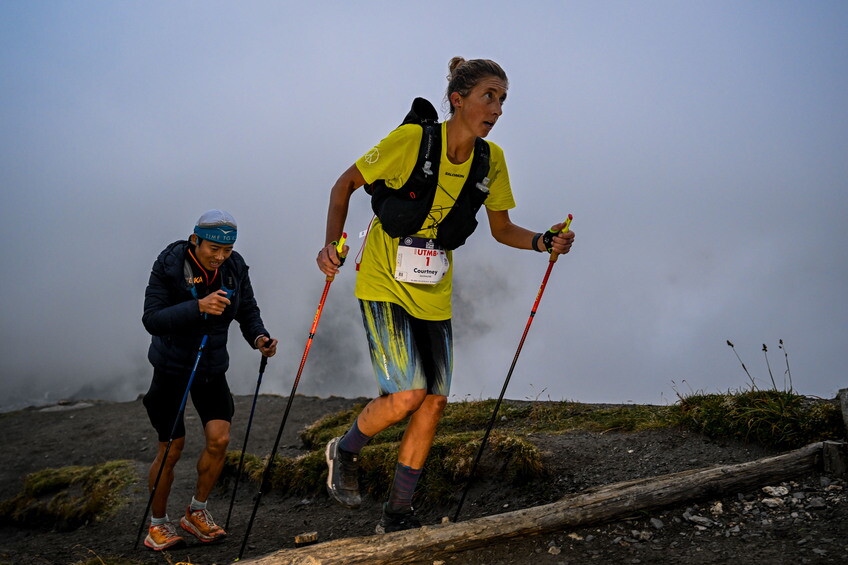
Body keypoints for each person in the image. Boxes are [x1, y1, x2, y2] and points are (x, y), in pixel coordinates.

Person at [316, 57, 575, 534]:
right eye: (488, 96)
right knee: (409, 392)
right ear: (458, 99)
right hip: (383, 281)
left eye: (502, 100)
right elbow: (343, 185)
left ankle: (397, 515)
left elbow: (502, 229)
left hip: (433, 289)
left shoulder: (490, 160)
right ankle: (345, 449)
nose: (496, 108)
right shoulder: (413, 141)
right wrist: (331, 244)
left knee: (434, 403)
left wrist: (543, 240)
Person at [141, 209, 277, 551]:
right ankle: (157, 525)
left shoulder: (234, 267)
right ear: (195, 240)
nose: (219, 257)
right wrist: (198, 307)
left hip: (211, 366)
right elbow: (152, 319)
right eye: (213, 249)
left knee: (220, 439)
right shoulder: (169, 266)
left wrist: (259, 337)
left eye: (226, 250)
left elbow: (247, 310)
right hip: (172, 368)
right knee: (171, 449)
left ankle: (196, 512)